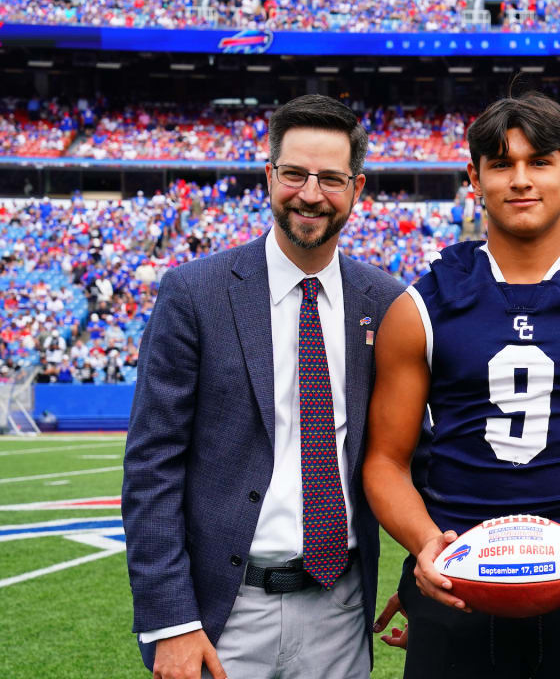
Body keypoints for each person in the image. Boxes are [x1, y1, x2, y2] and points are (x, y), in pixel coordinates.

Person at [363, 91, 560, 678]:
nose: (520, 180)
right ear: (474, 177)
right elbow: (385, 460)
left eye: (539, 162)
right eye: (501, 164)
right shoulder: (421, 305)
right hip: (458, 582)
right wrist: (428, 545)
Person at [122, 94, 405, 679]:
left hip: (340, 604)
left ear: (358, 188)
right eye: (295, 173)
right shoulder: (194, 293)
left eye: (330, 178)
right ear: (268, 176)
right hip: (226, 611)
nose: (310, 193)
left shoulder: (387, 301)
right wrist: (171, 621)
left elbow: (411, 455)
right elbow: (152, 464)